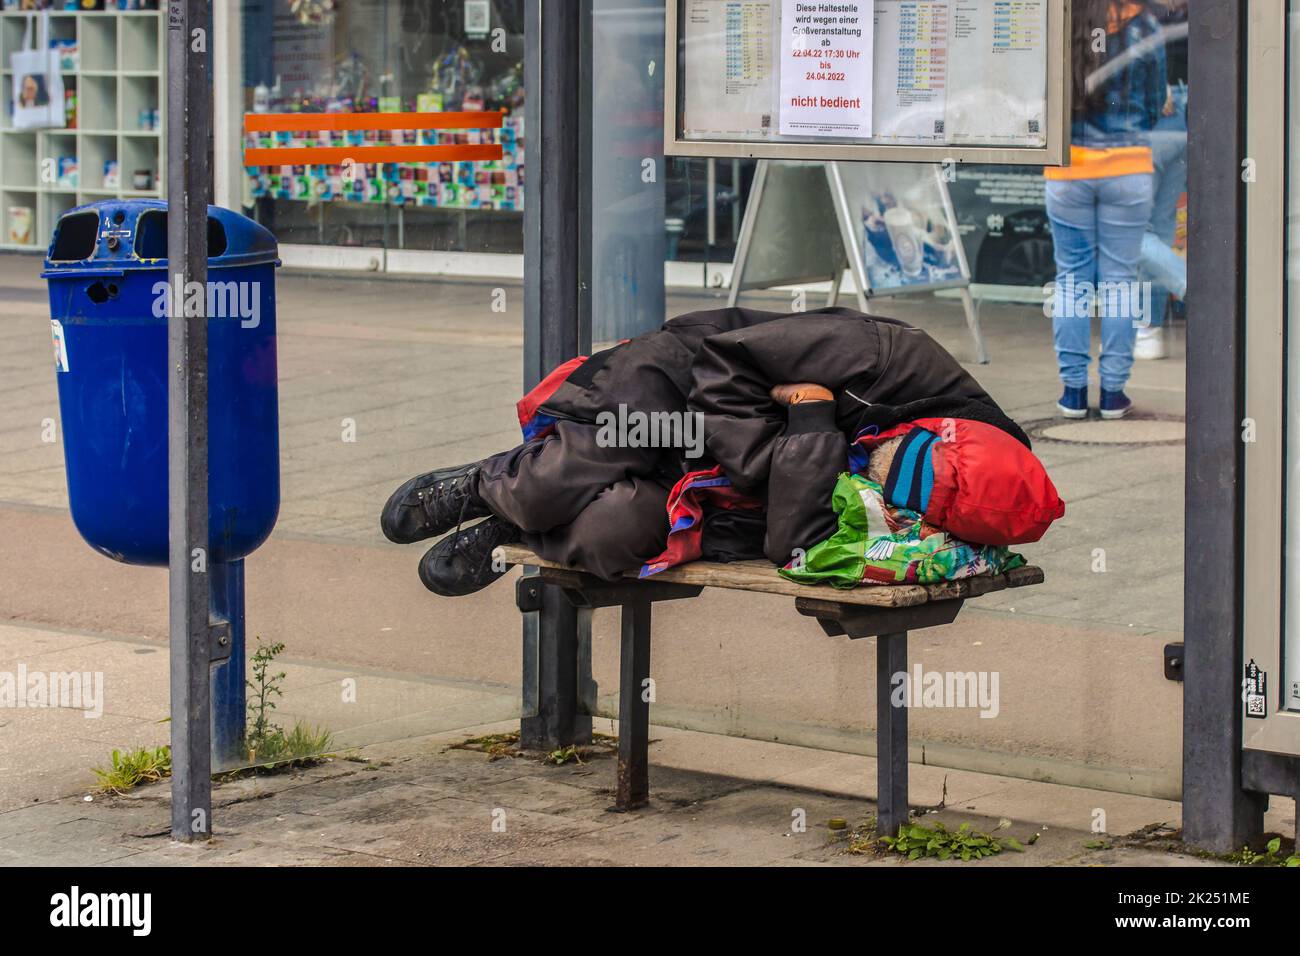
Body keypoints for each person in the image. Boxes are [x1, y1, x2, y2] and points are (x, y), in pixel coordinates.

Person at [381, 306, 1029, 595]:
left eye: (905, 487)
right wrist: (780, 453)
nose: (888, 480)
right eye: (903, 464)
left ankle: (511, 532)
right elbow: (726, 363)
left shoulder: (949, 499)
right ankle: (484, 487)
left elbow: (795, 542)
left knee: (615, 534)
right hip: (677, 392)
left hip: (720, 492)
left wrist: (807, 418)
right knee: (560, 477)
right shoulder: (887, 355)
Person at [1046, 0, 1165, 419]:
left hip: (1068, 168)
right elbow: (1155, 102)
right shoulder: (1145, 22)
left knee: (1071, 280)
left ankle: (1073, 392)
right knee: (1119, 281)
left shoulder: (1063, 20)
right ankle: (1114, 393)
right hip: (1129, 166)